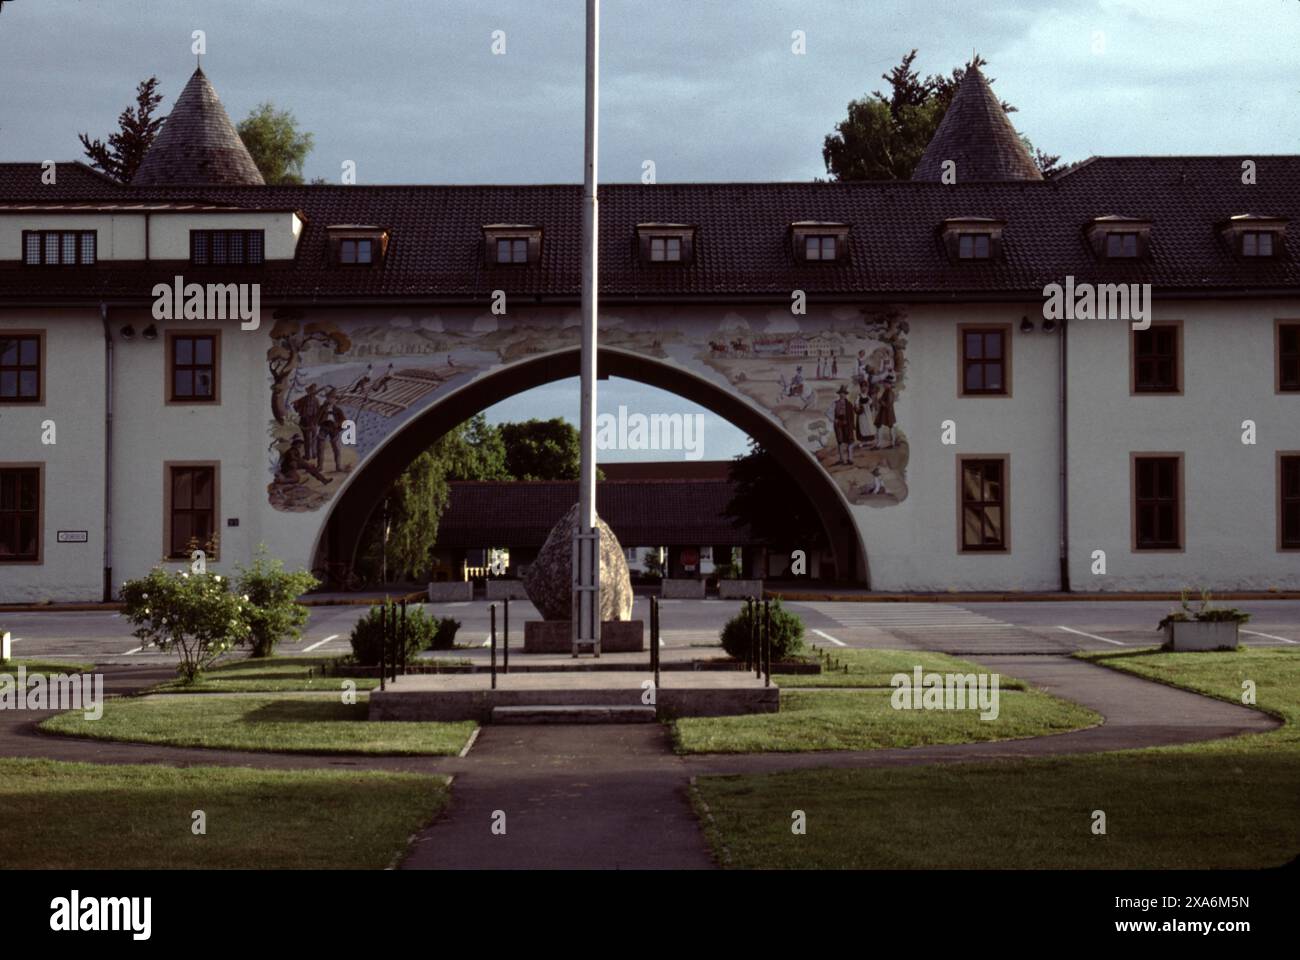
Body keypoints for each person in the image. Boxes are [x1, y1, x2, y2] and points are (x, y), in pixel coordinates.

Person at [316, 387, 348, 473]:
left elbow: (344, 421)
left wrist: (339, 425)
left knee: (337, 448)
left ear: (335, 400)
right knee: (320, 447)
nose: (331, 400)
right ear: (327, 398)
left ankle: (338, 466)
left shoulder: (338, 410)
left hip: (334, 429)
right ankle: (319, 467)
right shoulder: (322, 408)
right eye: (330, 398)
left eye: (333, 398)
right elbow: (316, 419)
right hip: (324, 428)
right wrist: (323, 412)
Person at [292, 383, 323, 464]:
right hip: (305, 421)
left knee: (313, 439)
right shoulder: (303, 399)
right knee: (307, 439)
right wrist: (295, 404)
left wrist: (317, 420)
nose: (312, 393)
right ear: (308, 392)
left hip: (313, 422)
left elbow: (319, 411)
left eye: (313, 391)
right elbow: (297, 408)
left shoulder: (316, 400)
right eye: (311, 391)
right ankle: (308, 455)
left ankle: (313, 454)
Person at [831, 384, 856, 465]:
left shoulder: (849, 404)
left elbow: (852, 416)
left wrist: (852, 426)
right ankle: (842, 459)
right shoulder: (835, 403)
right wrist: (835, 420)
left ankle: (850, 459)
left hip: (848, 425)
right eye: (841, 393)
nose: (842, 395)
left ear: (846, 395)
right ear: (839, 394)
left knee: (850, 442)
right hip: (839, 426)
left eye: (844, 393)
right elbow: (829, 413)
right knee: (840, 442)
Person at [874, 383, 896, 449]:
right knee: (880, 425)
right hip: (885, 412)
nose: (884, 385)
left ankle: (891, 443)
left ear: (889, 384)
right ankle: (880, 444)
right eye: (885, 383)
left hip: (887, 413)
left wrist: (880, 401)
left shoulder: (890, 392)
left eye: (886, 384)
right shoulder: (887, 391)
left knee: (889, 426)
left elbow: (887, 404)